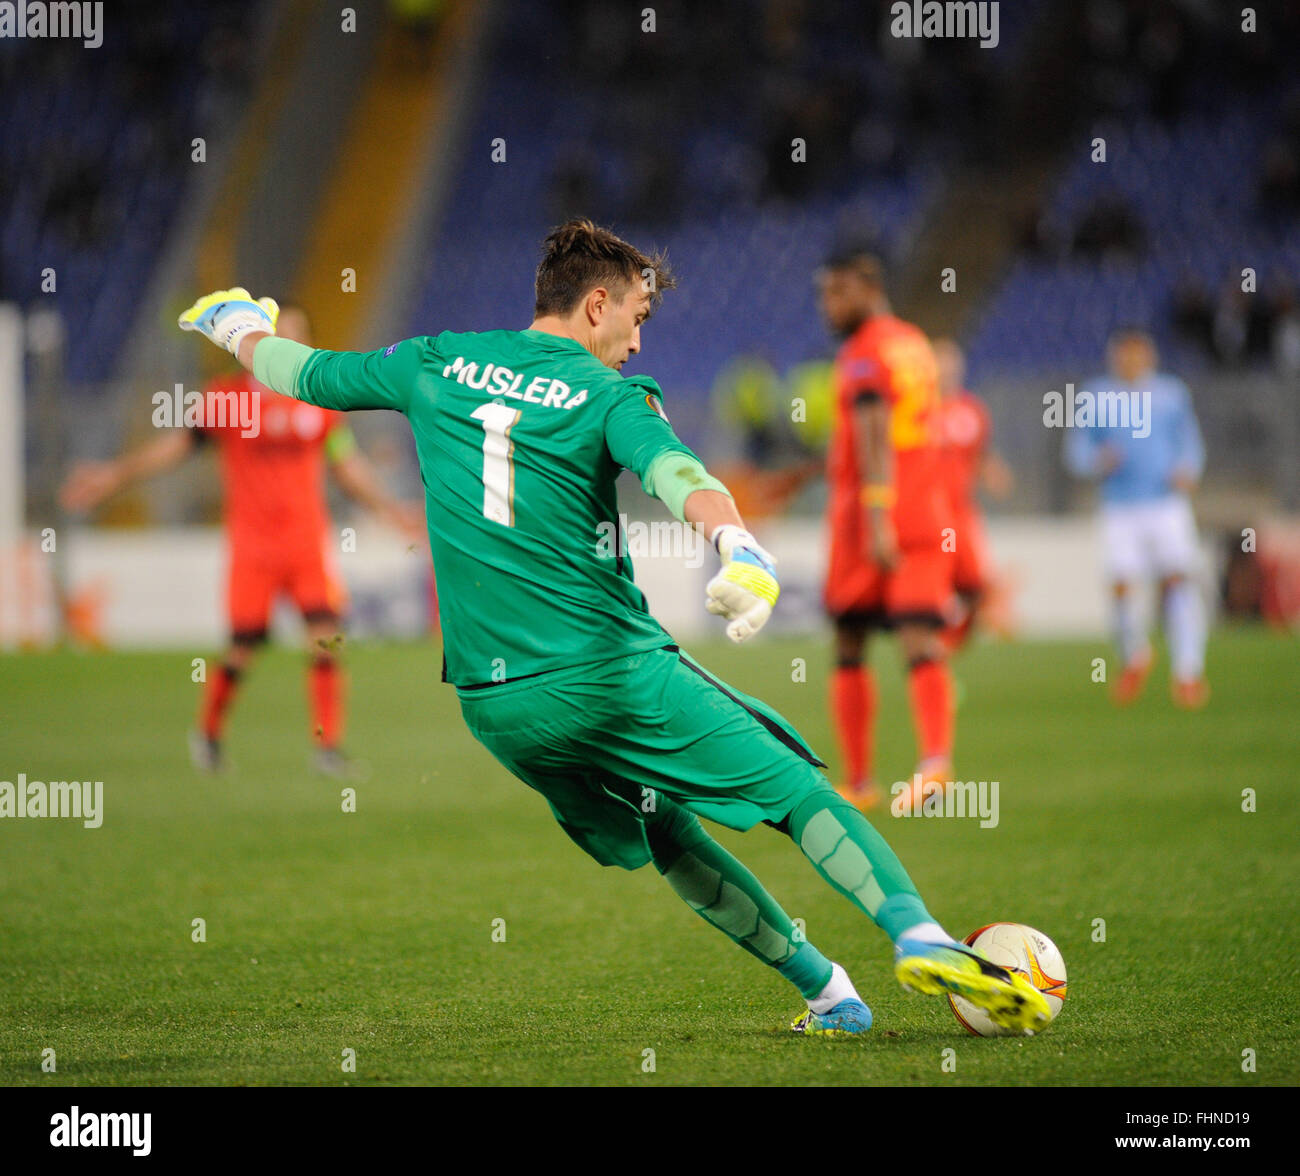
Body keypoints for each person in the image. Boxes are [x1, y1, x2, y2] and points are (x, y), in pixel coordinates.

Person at [174, 219, 1049, 1037]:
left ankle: (828, 992)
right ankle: (919, 934)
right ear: (596, 304)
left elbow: (302, 373)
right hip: (606, 673)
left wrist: (237, 325)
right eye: (634, 316)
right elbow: (675, 469)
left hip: (497, 710)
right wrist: (737, 545)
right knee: (793, 786)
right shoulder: (605, 392)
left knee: (665, 826)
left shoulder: (434, 359)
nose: (637, 340)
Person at [61, 305, 424, 775]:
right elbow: (176, 447)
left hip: (305, 545)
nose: (288, 345)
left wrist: (392, 511)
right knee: (242, 649)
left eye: (297, 337)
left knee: (326, 640)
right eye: (279, 336)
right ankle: (208, 735)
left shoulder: (319, 403)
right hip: (253, 548)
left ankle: (327, 747)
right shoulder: (226, 399)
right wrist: (115, 475)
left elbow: (346, 465)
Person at [818, 243, 955, 813]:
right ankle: (930, 764)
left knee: (859, 639)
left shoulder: (865, 350)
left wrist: (876, 513)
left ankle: (863, 779)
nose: (827, 305)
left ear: (868, 287)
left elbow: (875, 430)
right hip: (925, 501)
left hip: (873, 513)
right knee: (908, 632)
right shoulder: (914, 342)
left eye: (836, 291)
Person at [1065, 327, 1209, 707]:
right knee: (1121, 584)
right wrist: (1096, 461)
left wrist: (1188, 469)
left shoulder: (1171, 394)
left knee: (1177, 581)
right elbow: (1077, 449)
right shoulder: (1095, 396)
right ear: (1114, 357)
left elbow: (1189, 441)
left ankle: (1188, 671)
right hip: (1119, 505)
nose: (1130, 361)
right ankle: (1134, 654)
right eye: (1123, 354)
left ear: (1150, 357)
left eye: (1137, 354)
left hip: (1166, 502)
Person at [932, 338, 1013, 651]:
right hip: (928, 515)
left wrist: (991, 471)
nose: (946, 369)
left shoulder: (973, 410)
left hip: (961, 514)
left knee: (975, 588)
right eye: (939, 362)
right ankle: (934, 652)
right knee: (930, 589)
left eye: (951, 362)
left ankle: (948, 645)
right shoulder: (917, 409)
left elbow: (979, 454)